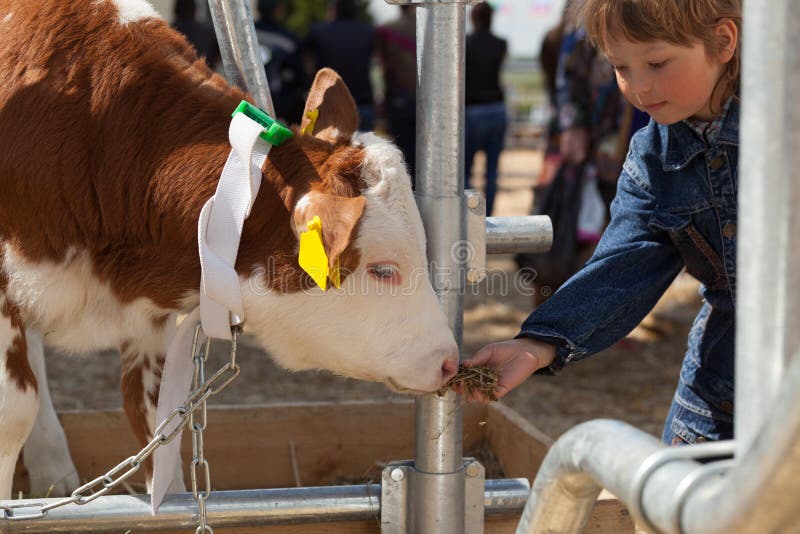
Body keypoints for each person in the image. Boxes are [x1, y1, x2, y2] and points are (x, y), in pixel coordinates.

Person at [465, 0, 741, 447]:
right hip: (719, 387)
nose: (639, 86)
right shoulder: (653, 157)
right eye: (621, 67)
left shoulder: (785, 127)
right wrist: (539, 343)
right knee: (683, 511)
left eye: (656, 62)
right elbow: (622, 267)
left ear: (723, 41)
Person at [303, 0, 376, 131]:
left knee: (327, 149)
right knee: (362, 147)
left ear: (334, 10)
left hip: (327, 104)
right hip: (362, 102)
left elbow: (304, 60)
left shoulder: (318, 31)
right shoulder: (368, 32)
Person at [464, 2, 508, 216]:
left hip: (472, 111)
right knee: (491, 173)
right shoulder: (501, 43)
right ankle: (488, 218)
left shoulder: (465, 43)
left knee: (466, 172)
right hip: (497, 109)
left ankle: (468, 217)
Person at [375, 6, 417, 180]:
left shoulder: (386, 29)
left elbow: (385, 67)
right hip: (429, 100)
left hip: (398, 97)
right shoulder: (433, 27)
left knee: (401, 155)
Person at [254, 0, 308, 125]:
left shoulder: (245, 35)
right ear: (278, 10)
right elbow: (300, 76)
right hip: (279, 107)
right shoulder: (288, 39)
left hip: (247, 102)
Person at [171, 0, 220, 68]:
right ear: (194, 10)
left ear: (175, 10)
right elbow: (219, 56)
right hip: (204, 75)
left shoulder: (167, 32)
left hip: (177, 76)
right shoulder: (209, 32)